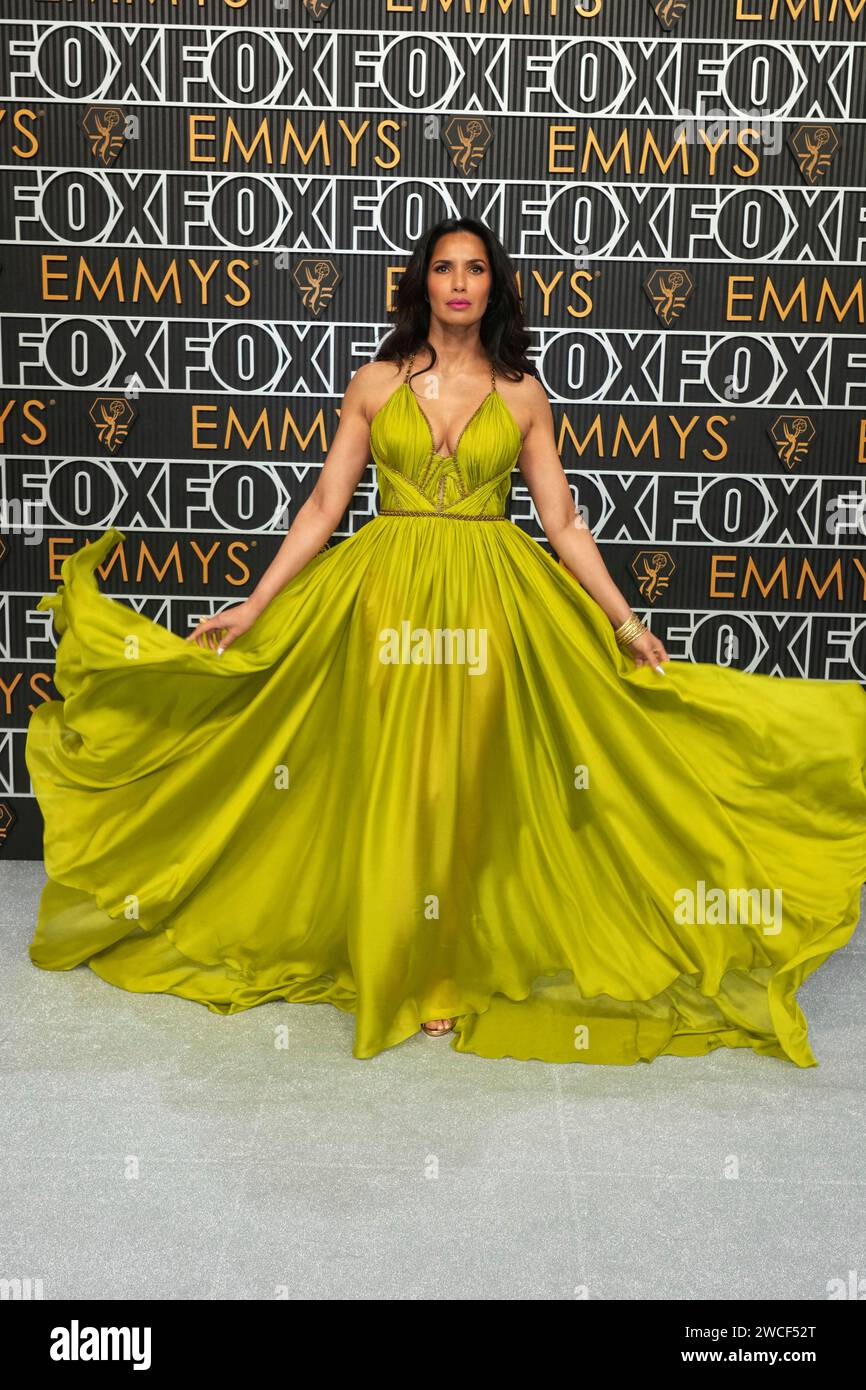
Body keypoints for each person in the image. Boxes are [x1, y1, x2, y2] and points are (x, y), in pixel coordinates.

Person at [26, 217, 866, 1067]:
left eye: (475, 269)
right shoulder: (373, 382)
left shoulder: (523, 393)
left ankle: (442, 972)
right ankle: (391, 953)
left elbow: (562, 522)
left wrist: (626, 619)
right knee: (397, 775)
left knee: (462, 785)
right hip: (384, 599)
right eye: (443, 268)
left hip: (488, 606)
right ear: (421, 283)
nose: (459, 282)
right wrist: (255, 602)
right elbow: (323, 508)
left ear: (493, 286)